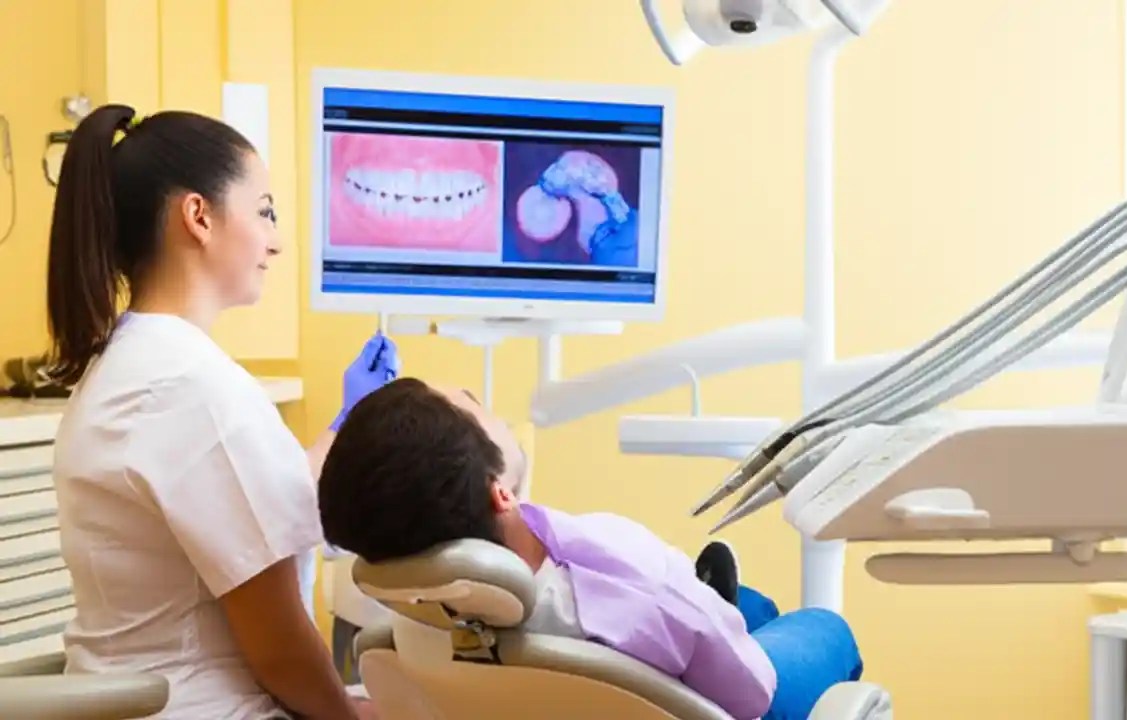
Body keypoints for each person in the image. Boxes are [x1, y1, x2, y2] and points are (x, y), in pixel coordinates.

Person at [45, 103, 397, 719]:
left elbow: (246, 502)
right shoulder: (191, 387)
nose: (277, 240)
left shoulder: (133, 364)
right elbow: (280, 649)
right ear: (199, 216)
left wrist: (347, 422)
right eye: (265, 211)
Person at [317, 377, 865, 720]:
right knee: (825, 628)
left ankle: (723, 604)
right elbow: (751, 692)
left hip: (622, 650)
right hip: (726, 691)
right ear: (500, 490)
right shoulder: (611, 577)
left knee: (752, 606)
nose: (488, 405)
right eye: (477, 406)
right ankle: (717, 607)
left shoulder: (415, 623)